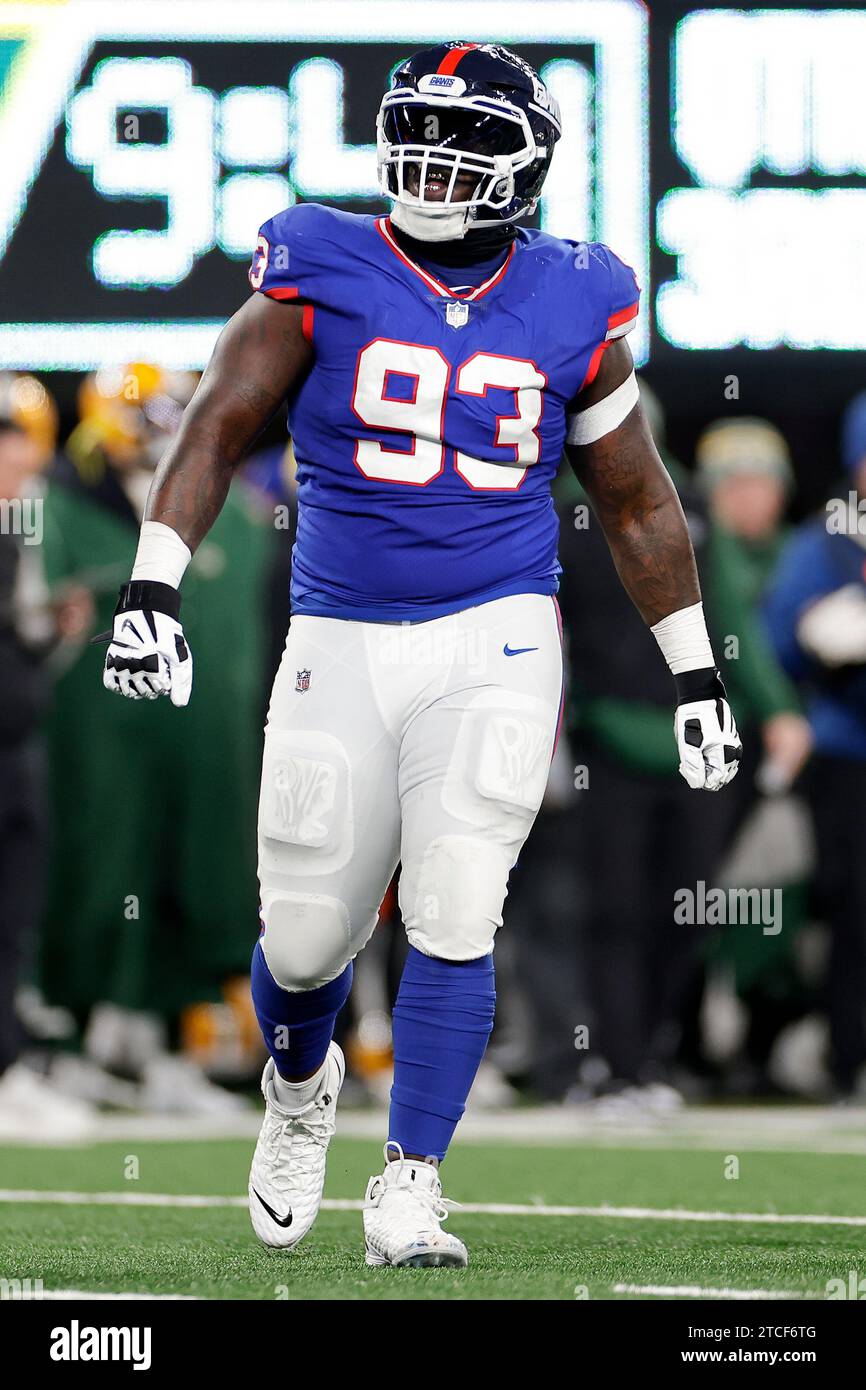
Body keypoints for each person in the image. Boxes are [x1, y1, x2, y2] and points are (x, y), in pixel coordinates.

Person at [99, 43, 740, 1268]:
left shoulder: (574, 294)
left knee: (455, 902)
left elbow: (637, 500)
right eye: (417, 128)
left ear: (529, 163)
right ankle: (297, 1089)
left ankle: (411, 1182)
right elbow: (220, 422)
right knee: (299, 941)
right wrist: (153, 586)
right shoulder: (322, 260)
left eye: (468, 138)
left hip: (495, 632)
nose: (435, 159)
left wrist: (693, 669)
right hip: (337, 631)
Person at [764, 391, 866, 1096]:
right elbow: (775, 645)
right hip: (846, 751)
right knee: (853, 911)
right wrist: (824, 631)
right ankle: (847, 1058)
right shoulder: (826, 540)